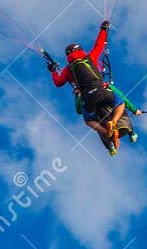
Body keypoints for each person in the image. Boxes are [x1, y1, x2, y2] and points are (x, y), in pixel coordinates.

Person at [45, 21, 140, 155]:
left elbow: (58, 83)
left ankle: (105, 131)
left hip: (89, 98)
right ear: (79, 50)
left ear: (68, 56)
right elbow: (99, 44)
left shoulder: (68, 69)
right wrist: (104, 29)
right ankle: (114, 122)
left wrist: (53, 71)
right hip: (103, 91)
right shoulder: (90, 57)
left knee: (88, 120)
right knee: (120, 103)